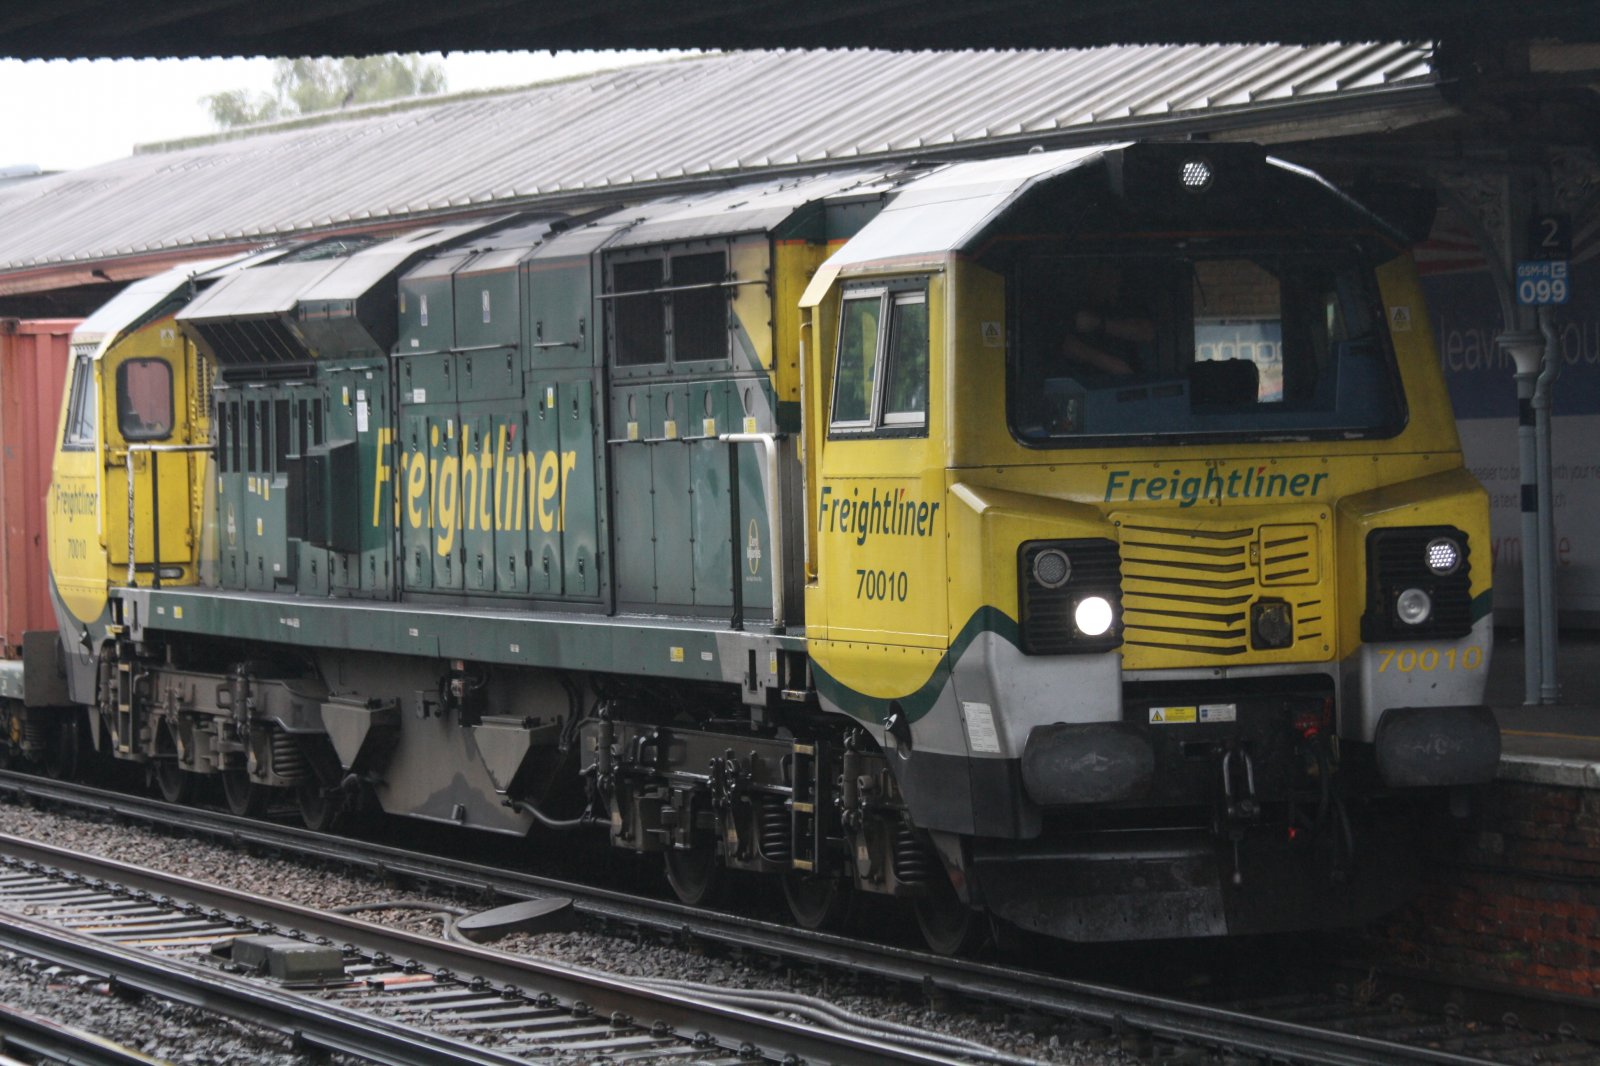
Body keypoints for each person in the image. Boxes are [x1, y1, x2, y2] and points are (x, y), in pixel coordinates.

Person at [1059, 262, 1154, 377]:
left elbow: (1146, 333)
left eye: (1116, 272)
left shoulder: (1127, 305)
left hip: (1127, 386)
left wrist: (1098, 324)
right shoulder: (1072, 310)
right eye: (1103, 273)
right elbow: (1070, 347)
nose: (1114, 278)